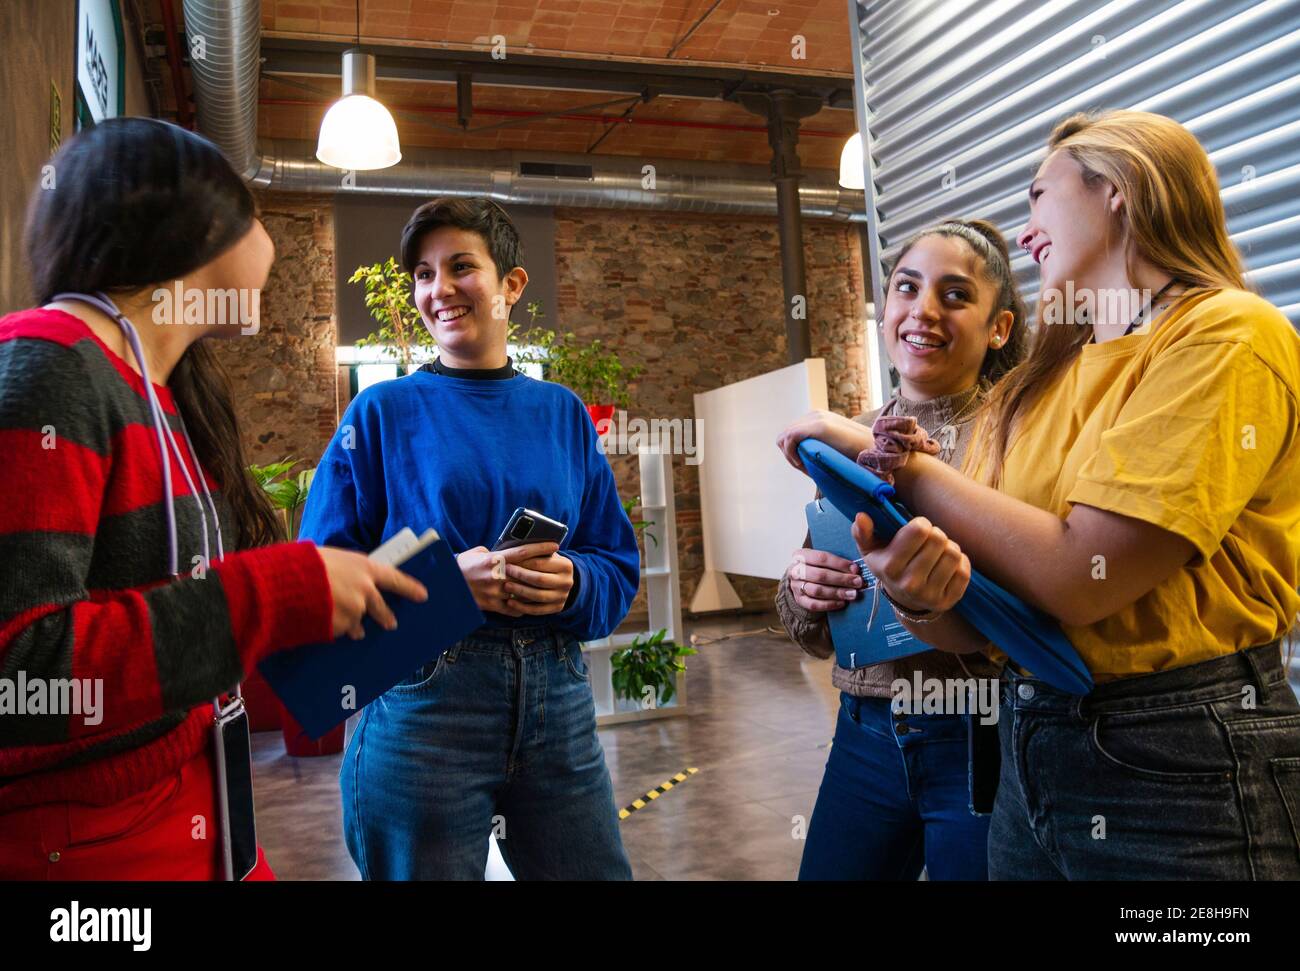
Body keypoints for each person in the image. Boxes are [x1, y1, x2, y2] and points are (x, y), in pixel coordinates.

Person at [778, 109, 1300, 880]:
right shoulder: (1041, 385)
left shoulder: (1226, 335)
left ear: (1117, 188)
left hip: (1180, 758)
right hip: (1033, 744)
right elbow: (985, 622)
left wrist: (898, 463)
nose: (1025, 234)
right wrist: (920, 588)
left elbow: (1081, 577)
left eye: (1037, 196)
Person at [0, 117, 428, 880]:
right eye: (253, 212)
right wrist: (272, 593)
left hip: (190, 815)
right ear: (192, 228)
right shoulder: (50, 362)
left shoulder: (160, 393)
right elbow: (17, 677)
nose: (269, 239)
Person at [298, 197, 639, 880]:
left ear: (512, 285)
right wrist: (443, 583)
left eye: (460, 267)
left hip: (559, 700)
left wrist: (576, 580)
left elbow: (616, 565)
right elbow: (317, 579)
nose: (438, 290)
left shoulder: (563, 413)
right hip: (424, 706)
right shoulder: (381, 412)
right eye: (423, 275)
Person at [778, 219, 1026, 880]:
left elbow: (1034, 599)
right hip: (865, 731)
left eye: (954, 295)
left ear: (998, 327)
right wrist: (802, 587)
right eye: (906, 288)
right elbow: (812, 624)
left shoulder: (1022, 435)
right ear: (885, 308)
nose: (923, 311)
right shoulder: (846, 435)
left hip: (979, 736)